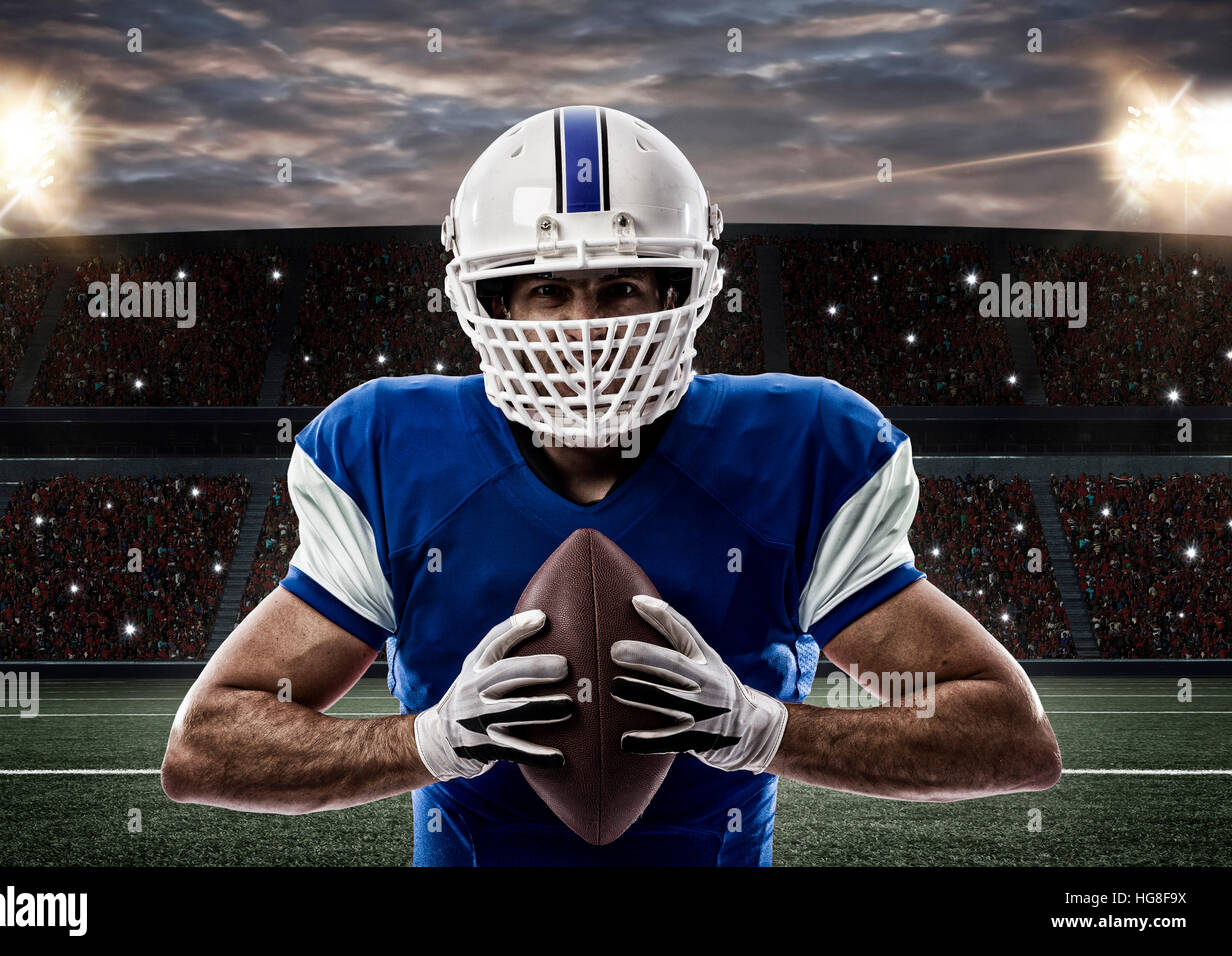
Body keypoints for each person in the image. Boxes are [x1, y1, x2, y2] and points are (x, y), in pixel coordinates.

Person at [161, 105, 1061, 865]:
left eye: (622, 286)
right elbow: (208, 746)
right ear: (489, 302)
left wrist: (765, 728)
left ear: (686, 288)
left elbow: (1008, 736)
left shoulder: (800, 447)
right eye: (547, 289)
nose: (586, 329)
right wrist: (429, 742)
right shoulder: (393, 450)